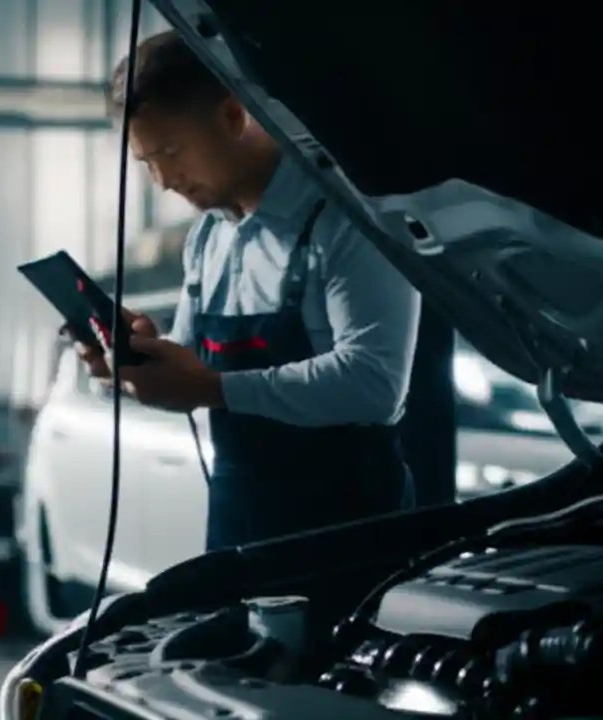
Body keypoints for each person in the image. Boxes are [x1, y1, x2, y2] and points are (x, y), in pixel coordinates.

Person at [74, 30, 422, 551]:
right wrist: (138, 359)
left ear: (234, 117)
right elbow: (191, 373)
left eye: (170, 151)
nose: (164, 180)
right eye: (146, 162)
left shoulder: (345, 221)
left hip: (350, 540)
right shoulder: (209, 237)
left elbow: (374, 384)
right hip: (238, 531)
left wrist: (211, 388)